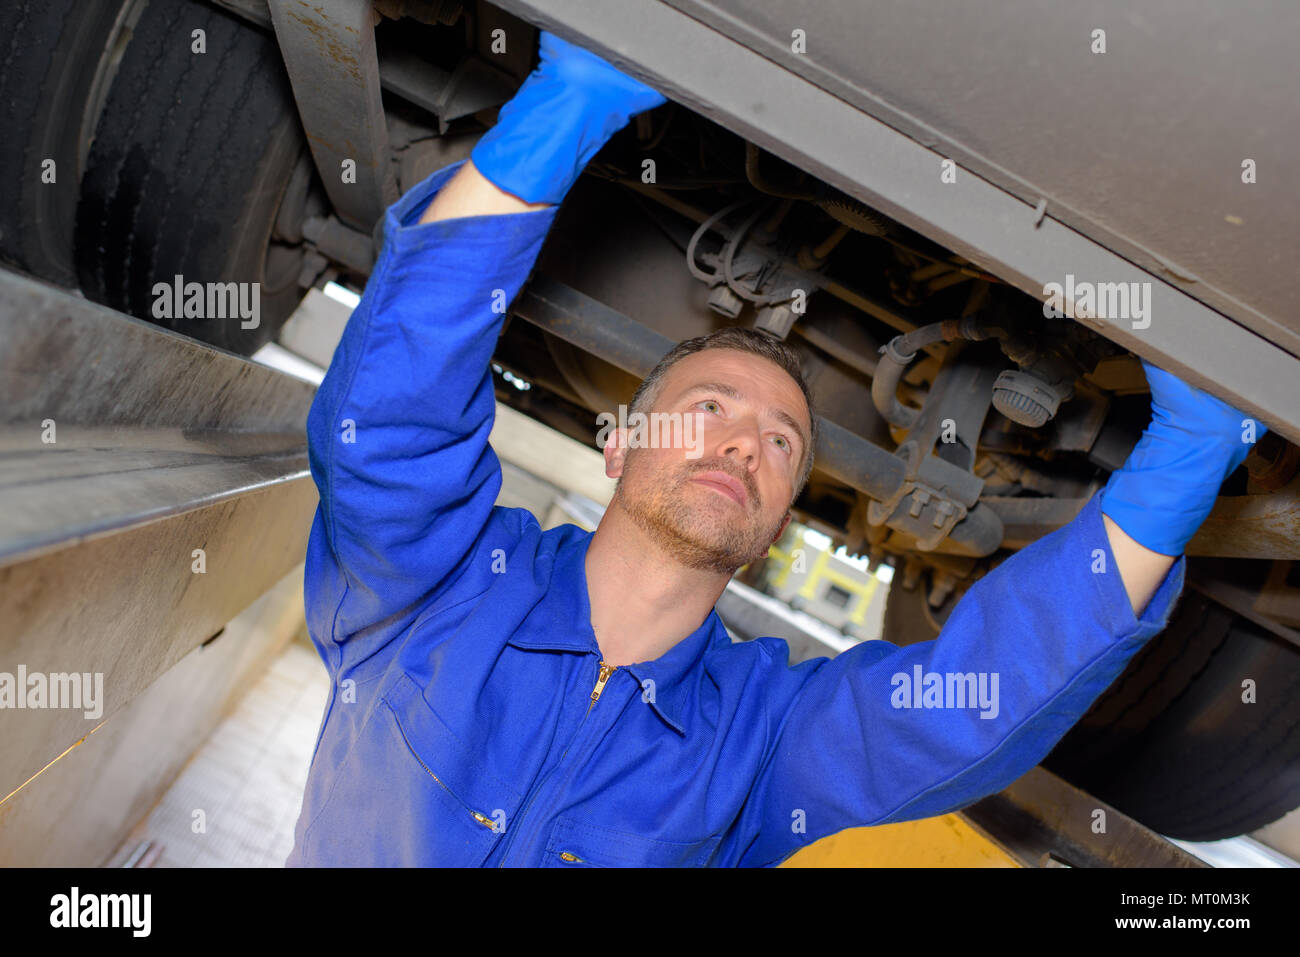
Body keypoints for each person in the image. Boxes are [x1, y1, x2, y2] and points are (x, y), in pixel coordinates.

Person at [286, 32, 1264, 867]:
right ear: (622, 443)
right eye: (709, 407)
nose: (745, 443)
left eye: (782, 441)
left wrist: (1187, 452)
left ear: (780, 523)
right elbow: (390, 426)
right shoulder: (432, 593)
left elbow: (963, 708)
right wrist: (568, 103)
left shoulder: (759, 748)